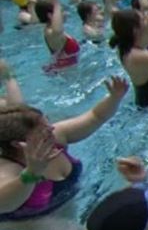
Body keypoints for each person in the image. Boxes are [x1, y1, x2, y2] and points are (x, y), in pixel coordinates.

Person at [0, 77, 128, 221]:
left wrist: (114, 98)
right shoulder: (7, 170)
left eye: (46, 121)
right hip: (31, 222)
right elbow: (4, 204)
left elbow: (95, 116)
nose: (51, 128)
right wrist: (32, 172)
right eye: (42, 130)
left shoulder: (56, 135)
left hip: (67, 200)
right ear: (18, 144)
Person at [35, 0, 80, 71]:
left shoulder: (50, 30)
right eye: (60, 12)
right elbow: (57, 30)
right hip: (66, 73)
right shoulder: (50, 32)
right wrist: (56, 4)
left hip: (68, 69)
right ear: (50, 16)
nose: (65, 14)